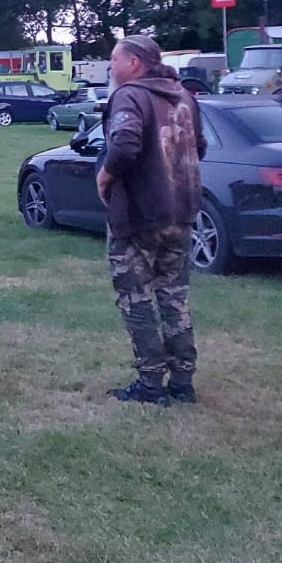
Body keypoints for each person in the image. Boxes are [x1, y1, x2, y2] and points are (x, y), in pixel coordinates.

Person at [95, 35, 206, 406]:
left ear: (135, 63)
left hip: (139, 216)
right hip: (182, 211)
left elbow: (125, 143)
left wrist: (106, 175)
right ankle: (182, 382)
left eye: (115, 59)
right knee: (175, 297)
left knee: (137, 299)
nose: (111, 66)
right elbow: (200, 146)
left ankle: (150, 385)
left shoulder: (131, 95)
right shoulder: (184, 96)